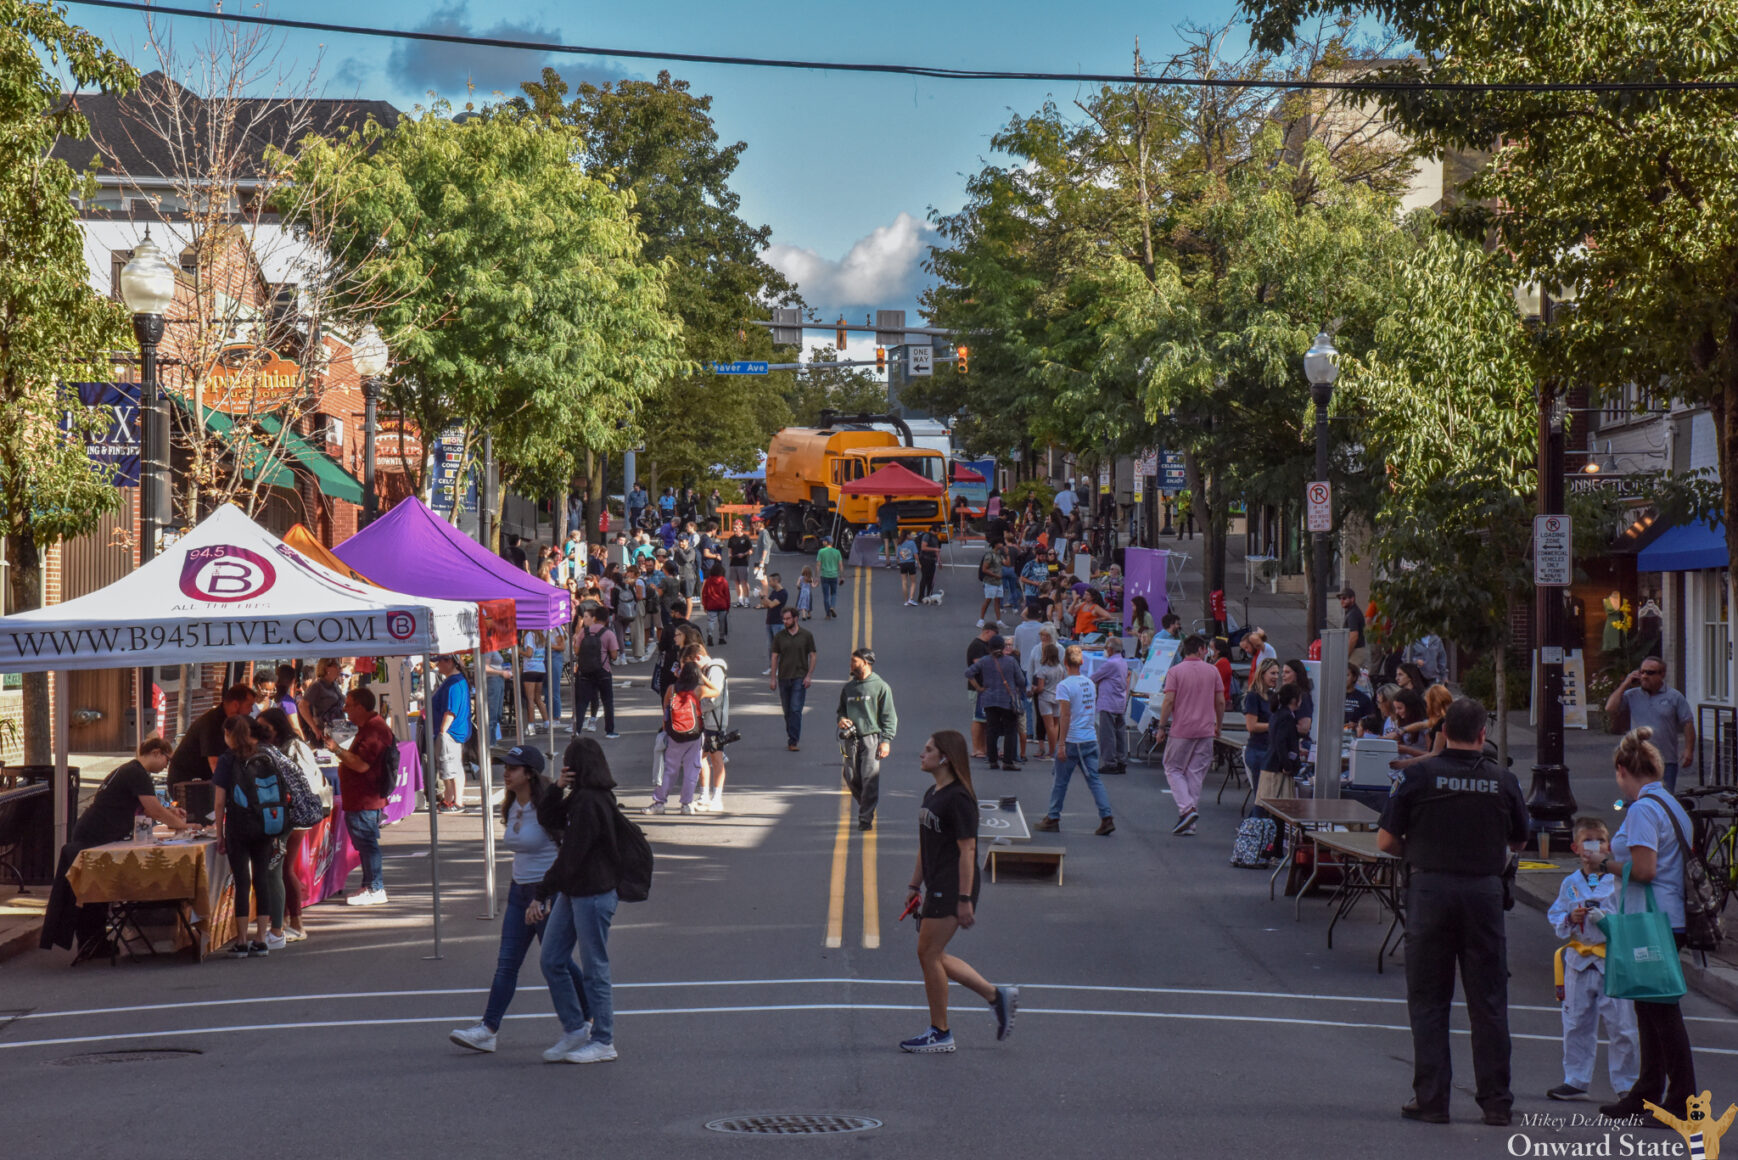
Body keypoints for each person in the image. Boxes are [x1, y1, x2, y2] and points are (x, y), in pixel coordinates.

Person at [1377, 696, 1530, 1127]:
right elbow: (1519, 841)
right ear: (1483, 735)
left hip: (1430, 889)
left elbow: (1386, 842)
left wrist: (1422, 849)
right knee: (1488, 1001)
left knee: (1428, 999)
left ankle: (1432, 1099)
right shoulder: (1504, 781)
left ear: (1443, 732)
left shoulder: (1417, 776)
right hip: (1482, 893)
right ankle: (1497, 1102)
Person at [1594, 727, 1699, 1122]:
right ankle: (1648, 1090)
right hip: (1669, 917)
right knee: (1650, 1008)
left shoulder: (1640, 809)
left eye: (1617, 777)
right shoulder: (1671, 804)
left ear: (1623, 769)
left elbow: (1644, 870)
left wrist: (1604, 863)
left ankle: (1682, 1098)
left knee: (1662, 1012)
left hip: (1649, 919)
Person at [900, 729, 1017, 1054]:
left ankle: (941, 1032)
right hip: (937, 883)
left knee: (928, 953)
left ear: (945, 757)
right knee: (933, 954)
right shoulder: (932, 794)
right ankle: (996, 996)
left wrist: (965, 899)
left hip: (954, 886)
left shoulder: (959, 799)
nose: (921, 754)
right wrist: (914, 884)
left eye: (928, 749)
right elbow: (926, 845)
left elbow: (968, 851)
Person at [40, 737, 188, 952]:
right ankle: (92, 941)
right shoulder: (137, 773)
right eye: (167, 759)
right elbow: (154, 810)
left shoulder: (130, 770)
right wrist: (182, 825)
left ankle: (93, 941)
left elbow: (148, 808)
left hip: (94, 832)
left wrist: (172, 814)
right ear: (156, 752)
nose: (167, 765)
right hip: (95, 835)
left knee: (97, 889)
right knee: (96, 888)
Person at [529, 737, 622, 1064]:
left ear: (576, 766)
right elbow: (549, 817)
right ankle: (575, 1029)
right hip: (577, 891)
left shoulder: (590, 802)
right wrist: (557, 787)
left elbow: (571, 856)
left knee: (594, 966)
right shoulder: (584, 797)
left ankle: (603, 1039)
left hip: (592, 892)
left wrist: (541, 892)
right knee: (552, 958)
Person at [1545, 816, 1640, 1102]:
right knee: (1576, 1023)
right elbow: (1555, 914)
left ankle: (1626, 1083)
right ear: (1576, 848)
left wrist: (1608, 921)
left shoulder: (1618, 882)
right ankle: (1575, 1079)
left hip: (1612, 959)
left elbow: (1631, 916)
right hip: (1578, 960)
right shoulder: (1570, 884)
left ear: (1608, 846)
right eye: (1588, 840)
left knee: (1621, 1025)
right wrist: (1569, 918)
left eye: (1600, 840)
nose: (1594, 846)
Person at [214, 715, 289, 957]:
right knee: (262, 880)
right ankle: (261, 939)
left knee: (242, 882)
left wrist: (219, 835)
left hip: (238, 827)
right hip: (266, 825)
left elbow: (219, 802)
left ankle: (242, 940)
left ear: (229, 735)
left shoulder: (227, 760)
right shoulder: (266, 755)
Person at [257, 708, 323, 943]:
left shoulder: (293, 746)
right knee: (280, 868)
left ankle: (296, 922)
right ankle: (284, 919)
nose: (263, 733)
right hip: (287, 814)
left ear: (277, 727)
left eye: (266, 728)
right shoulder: (278, 747)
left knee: (284, 869)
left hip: (296, 814)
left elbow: (307, 781)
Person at [1034, 645, 1115, 835]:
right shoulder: (1089, 683)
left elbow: (1065, 715)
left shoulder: (1065, 686)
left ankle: (1053, 816)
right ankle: (1106, 816)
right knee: (1094, 779)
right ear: (1082, 662)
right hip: (1089, 737)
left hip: (1073, 739)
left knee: (1060, 781)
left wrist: (1061, 744)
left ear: (1065, 663)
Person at [1152, 635, 1225, 837]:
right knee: (1195, 773)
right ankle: (1189, 820)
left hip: (1182, 729)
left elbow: (1168, 701)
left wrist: (1161, 726)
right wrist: (1218, 724)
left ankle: (1186, 809)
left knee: (1173, 768)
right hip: (1205, 729)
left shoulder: (1175, 672)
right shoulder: (1213, 671)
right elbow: (1220, 701)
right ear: (1201, 649)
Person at [330, 687, 395, 905]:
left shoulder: (374, 730)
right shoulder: (368, 727)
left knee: (367, 844)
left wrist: (337, 750)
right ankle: (370, 885)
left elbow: (361, 765)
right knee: (365, 843)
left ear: (360, 706)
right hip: (360, 797)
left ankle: (375, 887)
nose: (345, 709)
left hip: (365, 798)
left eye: (348, 705)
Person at [1603, 657, 1695, 792]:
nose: (1645, 676)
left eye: (1650, 673)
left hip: (1665, 759)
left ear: (1662, 674)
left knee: (1663, 799)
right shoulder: (1632, 695)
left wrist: (1688, 750)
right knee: (1637, 800)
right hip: (1638, 759)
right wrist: (1625, 684)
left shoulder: (1674, 696)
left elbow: (1687, 722)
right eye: (1642, 672)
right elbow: (1610, 708)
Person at [838, 647, 898, 830]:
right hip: (850, 740)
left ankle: (865, 818)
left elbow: (889, 716)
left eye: (853, 661)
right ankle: (866, 803)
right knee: (850, 776)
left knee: (869, 778)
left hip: (871, 739)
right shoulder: (849, 688)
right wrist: (841, 720)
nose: (850, 664)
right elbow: (841, 711)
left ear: (865, 662)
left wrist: (886, 741)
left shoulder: (881, 687)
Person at [166, 682, 255, 793]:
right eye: (249, 705)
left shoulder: (230, 722)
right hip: (187, 783)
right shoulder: (212, 723)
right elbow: (215, 764)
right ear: (236, 705)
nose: (251, 710)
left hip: (203, 782)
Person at [647, 660, 708, 815]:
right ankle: (686, 804)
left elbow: (665, 711)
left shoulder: (672, 689)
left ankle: (659, 802)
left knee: (670, 769)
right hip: (694, 734)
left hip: (674, 734)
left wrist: (666, 730)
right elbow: (716, 690)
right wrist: (703, 676)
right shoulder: (699, 690)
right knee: (691, 770)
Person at [965, 633, 1027, 771]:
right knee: (1010, 730)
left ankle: (992, 760)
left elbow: (969, 673)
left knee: (991, 729)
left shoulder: (984, 661)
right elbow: (1021, 680)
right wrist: (1018, 688)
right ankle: (1008, 761)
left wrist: (979, 687)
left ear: (989, 647)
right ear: (1003, 647)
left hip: (989, 699)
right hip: (1007, 699)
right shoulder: (1011, 661)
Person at [769, 607, 817, 751]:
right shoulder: (779, 637)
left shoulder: (806, 635)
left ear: (795, 618)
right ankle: (792, 734)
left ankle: (793, 740)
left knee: (795, 709)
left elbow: (813, 655)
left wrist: (809, 675)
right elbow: (774, 657)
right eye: (783, 619)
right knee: (787, 710)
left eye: (788, 619)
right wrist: (773, 678)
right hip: (784, 677)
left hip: (800, 677)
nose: (785, 621)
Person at [431, 654, 474, 812]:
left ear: (449, 662)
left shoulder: (454, 683)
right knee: (453, 767)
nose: (437, 666)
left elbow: (451, 710)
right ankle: (450, 800)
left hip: (450, 732)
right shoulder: (456, 680)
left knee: (450, 769)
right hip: (454, 731)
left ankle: (456, 802)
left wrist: (442, 731)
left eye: (440, 662)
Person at [571, 607, 621, 739]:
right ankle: (610, 731)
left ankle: (577, 730)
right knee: (607, 701)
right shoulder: (609, 633)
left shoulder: (584, 632)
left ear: (594, 618)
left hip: (585, 671)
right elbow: (614, 655)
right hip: (603, 671)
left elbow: (576, 651)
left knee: (582, 702)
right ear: (607, 619)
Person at [1091, 637, 1130, 774]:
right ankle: (1121, 760)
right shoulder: (1123, 662)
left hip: (1108, 701)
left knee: (1107, 735)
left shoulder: (1111, 663)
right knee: (1119, 733)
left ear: (1110, 649)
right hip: (1119, 701)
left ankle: (1110, 762)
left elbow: (1094, 677)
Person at [1242, 659, 1280, 788]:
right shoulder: (1253, 696)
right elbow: (1251, 726)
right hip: (1258, 750)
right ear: (1262, 673)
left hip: (1270, 749)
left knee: (1267, 796)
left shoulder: (1273, 695)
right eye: (1272, 673)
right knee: (1262, 797)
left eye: (1277, 673)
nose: (1276, 677)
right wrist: (1274, 725)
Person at [1030, 639, 1066, 760]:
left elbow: (1040, 688)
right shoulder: (1060, 668)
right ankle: (1054, 749)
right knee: (1056, 724)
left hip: (1045, 698)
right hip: (1056, 696)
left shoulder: (1043, 669)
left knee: (1049, 725)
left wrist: (1033, 689)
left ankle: (1051, 751)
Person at [965, 622, 997, 757]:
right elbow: (979, 664)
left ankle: (983, 747)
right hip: (977, 687)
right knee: (977, 718)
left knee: (984, 720)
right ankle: (976, 748)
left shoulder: (984, 645)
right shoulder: (977, 646)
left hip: (985, 688)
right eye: (994, 635)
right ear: (987, 632)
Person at [303, 659, 346, 736]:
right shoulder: (317, 686)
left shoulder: (335, 685)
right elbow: (302, 706)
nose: (339, 668)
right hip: (324, 732)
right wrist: (314, 728)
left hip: (338, 731)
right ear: (326, 668)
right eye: (337, 666)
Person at [520, 630, 550, 735]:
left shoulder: (529, 635)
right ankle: (547, 722)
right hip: (541, 668)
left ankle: (531, 726)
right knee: (538, 698)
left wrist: (517, 651)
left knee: (530, 699)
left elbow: (529, 653)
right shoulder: (542, 635)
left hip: (530, 669)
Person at [760, 571, 789, 673]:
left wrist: (764, 597)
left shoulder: (783, 593)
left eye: (771, 581)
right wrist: (762, 597)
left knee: (778, 646)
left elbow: (772, 604)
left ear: (776, 581)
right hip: (769, 621)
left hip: (778, 622)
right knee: (770, 646)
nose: (769, 583)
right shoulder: (774, 592)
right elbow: (766, 605)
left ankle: (779, 667)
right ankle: (772, 666)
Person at [700, 562, 731, 647]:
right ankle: (721, 638)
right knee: (722, 623)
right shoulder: (724, 581)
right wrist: (728, 606)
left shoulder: (708, 581)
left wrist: (705, 605)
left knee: (711, 621)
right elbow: (727, 595)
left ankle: (710, 634)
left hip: (711, 605)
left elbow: (704, 594)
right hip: (722, 605)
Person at [976, 541, 1004, 628]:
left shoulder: (999, 554)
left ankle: (999, 621)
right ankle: (981, 620)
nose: (1002, 545)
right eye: (1001, 543)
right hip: (990, 581)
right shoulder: (989, 555)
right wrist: (995, 575)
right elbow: (984, 569)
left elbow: (1007, 563)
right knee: (988, 600)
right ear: (996, 544)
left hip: (998, 582)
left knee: (997, 601)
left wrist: (1007, 553)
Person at [1338, 586, 1368, 665]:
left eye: (1344, 598)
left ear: (1352, 599)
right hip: (1356, 651)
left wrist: (1346, 654)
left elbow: (1354, 637)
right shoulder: (1351, 612)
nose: (1341, 601)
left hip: (1356, 651)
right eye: (1340, 599)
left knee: (1350, 675)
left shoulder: (1353, 614)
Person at [816, 535, 844, 618]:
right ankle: (832, 606)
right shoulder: (837, 552)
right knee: (834, 593)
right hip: (834, 575)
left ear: (826, 542)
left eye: (823, 541)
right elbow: (841, 565)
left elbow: (818, 565)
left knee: (826, 596)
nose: (822, 542)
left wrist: (816, 576)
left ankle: (828, 614)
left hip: (824, 575)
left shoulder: (821, 551)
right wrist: (841, 576)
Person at [1344, 663, 1376, 729]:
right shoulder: (1333, 697)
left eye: (1347, 675)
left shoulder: (1364, 699)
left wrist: (1357, 725)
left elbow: (1371, 721)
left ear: (1354, 677)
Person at [918, 525, 941, 603]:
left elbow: (937, 549)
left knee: (931, 579)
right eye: (938, 531)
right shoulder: (927, 536)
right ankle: (921, 596)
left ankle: (929, 595)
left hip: (932, 559)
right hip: (925, 559)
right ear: (936, 529)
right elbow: (923, 547)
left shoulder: (935, 537)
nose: (938, 533)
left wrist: (939, 560)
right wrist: (934, 549)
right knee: (925, 577)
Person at [897, 530, 920, 606]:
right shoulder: (912, 543)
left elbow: (897, 556)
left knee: (904, 582)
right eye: (910, 535)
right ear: (907, 535)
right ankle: (911, 598)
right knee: (913, 582)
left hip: (903, 564)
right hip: (911, 563)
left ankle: (906, 600)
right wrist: (919, 563)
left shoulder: (899, 543)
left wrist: (900, 562)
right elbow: (915, 554)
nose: (912, 536)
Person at [878, 501, 900, 567]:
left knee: (886, 545)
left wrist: (881, 525)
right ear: (890, 498)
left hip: (884, 528)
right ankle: (898, 562)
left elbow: (877, 520)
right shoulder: (894, 507)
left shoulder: (881, 508)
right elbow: (898, 518)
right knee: (896, 545)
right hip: (893, 527)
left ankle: (888, 563)